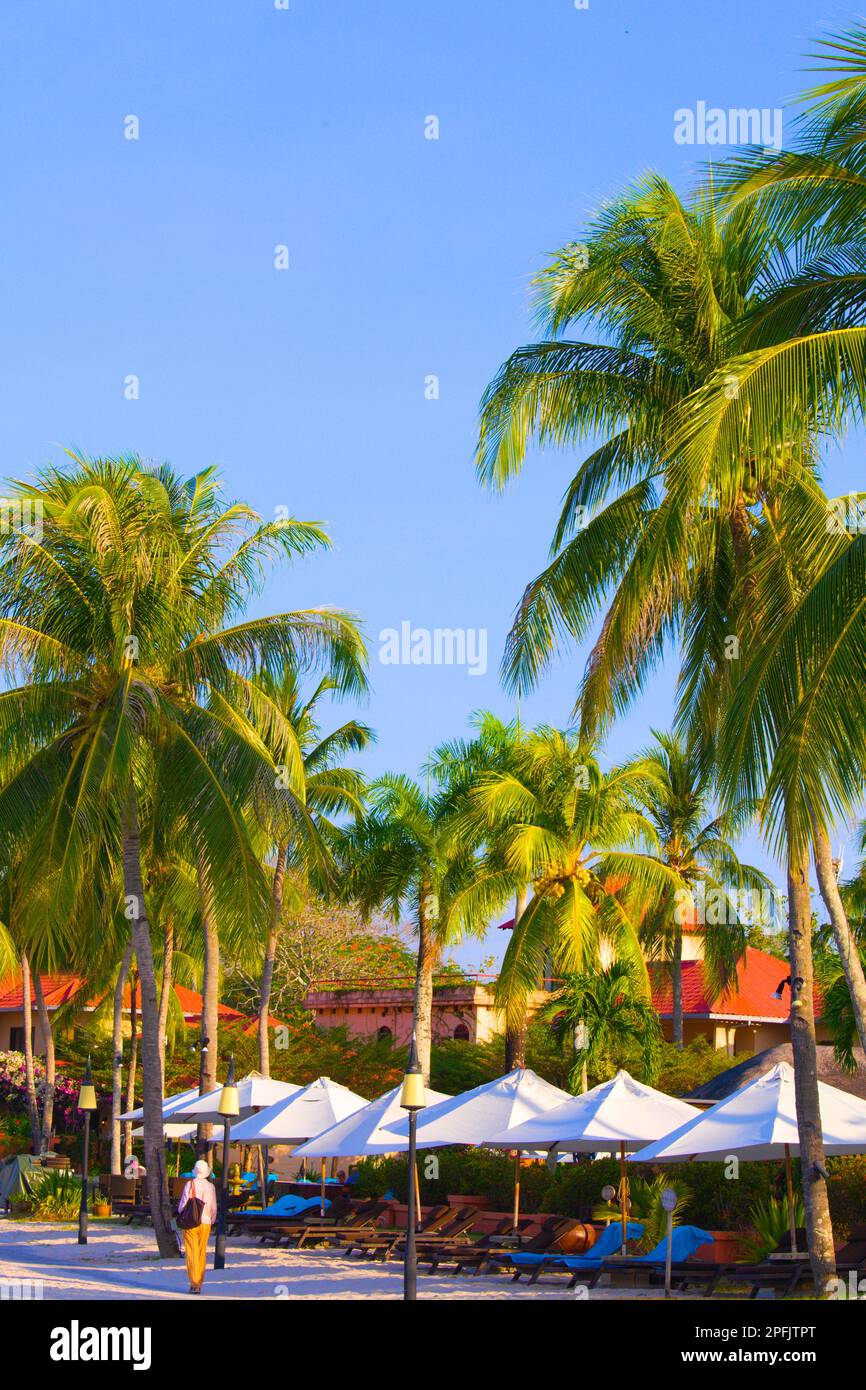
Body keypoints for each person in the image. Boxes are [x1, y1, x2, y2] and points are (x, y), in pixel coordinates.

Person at [177, 1158, 217, 1294]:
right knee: (201, 1251)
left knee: (191, 1251)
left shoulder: (190, 1184)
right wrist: (211, 1220)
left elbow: (182, 1205)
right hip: (206, 1222)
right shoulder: (210, 1187)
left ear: (195, 1171)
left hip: (191, 1221)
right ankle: (199, 1282)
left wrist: (181, 1215)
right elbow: (213, 1207)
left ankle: (194, 1283)